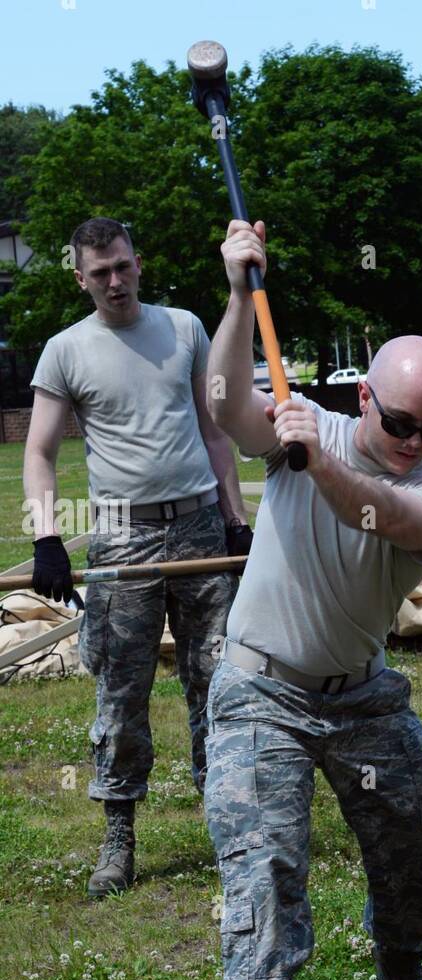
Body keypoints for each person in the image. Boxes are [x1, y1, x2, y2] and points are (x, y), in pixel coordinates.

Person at [204, 219, 422, 980]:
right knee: (266, 857)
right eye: (401, 421)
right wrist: (234, 294)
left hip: (359, 693)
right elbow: (223, 405)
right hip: (261, 687)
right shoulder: (306, 420)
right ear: (364, 395)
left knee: (418, 828)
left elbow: (382, 517)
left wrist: (316, 457)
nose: (415, 439)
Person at [24, 217, 251, 897]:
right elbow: (39, 452)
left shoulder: (183, 328)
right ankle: (119, 836)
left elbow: (214, 431)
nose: (114, 282)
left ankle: (229, 823)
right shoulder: (65, 350)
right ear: (79, 277)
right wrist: (45, 539)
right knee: (122, 694)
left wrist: (236, 521)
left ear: (138, 263)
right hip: (121, 540)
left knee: (220, 681)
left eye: (122, 267)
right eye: (100, 273)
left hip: (199, 531)